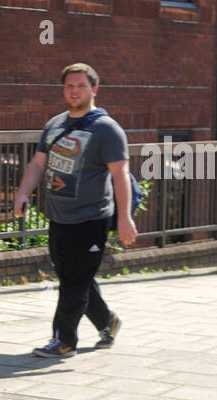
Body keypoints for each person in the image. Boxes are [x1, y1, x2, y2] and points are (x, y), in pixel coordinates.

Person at [13, 63, 138, 358]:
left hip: (92, 217)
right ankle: (107, 321)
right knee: (74, 277)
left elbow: (120, 174)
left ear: (93, 90)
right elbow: (38, 164)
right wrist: (22, 193)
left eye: (81, 86)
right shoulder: (55, 124)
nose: (74, 91)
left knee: (74, 281)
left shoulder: (107, 129)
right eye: (69, 86)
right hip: (59, 217)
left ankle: (64, 340)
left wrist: (124, 218)